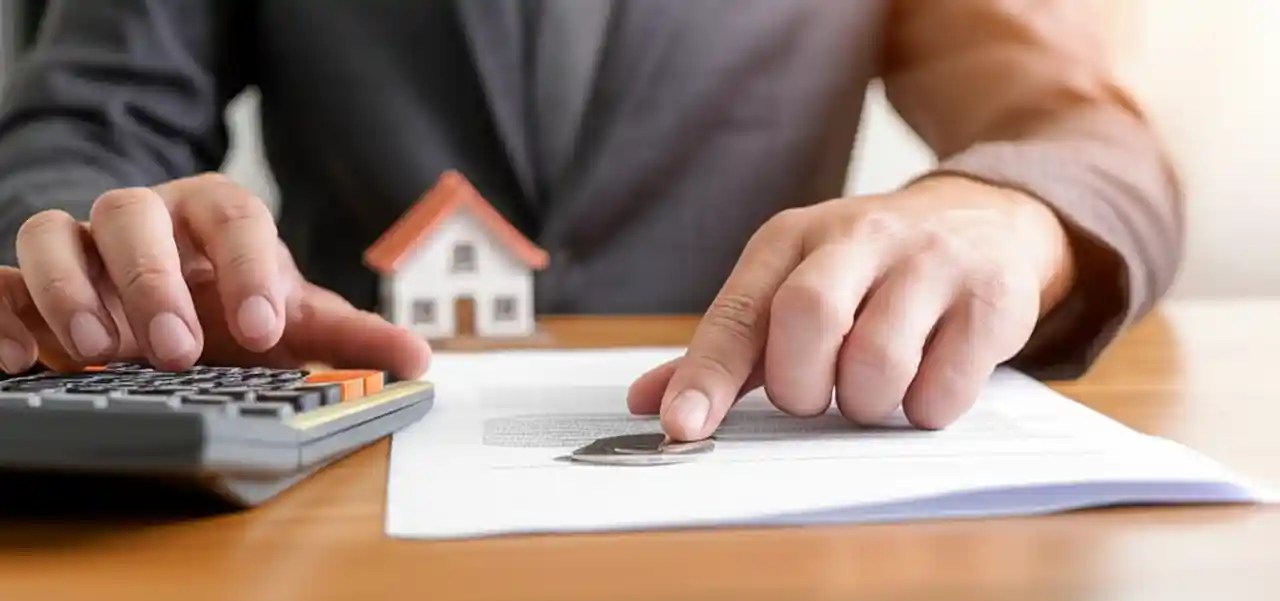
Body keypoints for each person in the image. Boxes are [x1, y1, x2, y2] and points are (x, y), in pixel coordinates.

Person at [0, 1, 1178, 442]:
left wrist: (1006, 213)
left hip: (759, 471)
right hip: (338, 469)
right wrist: (105, 266)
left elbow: (1082, 130)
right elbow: (77, 124)